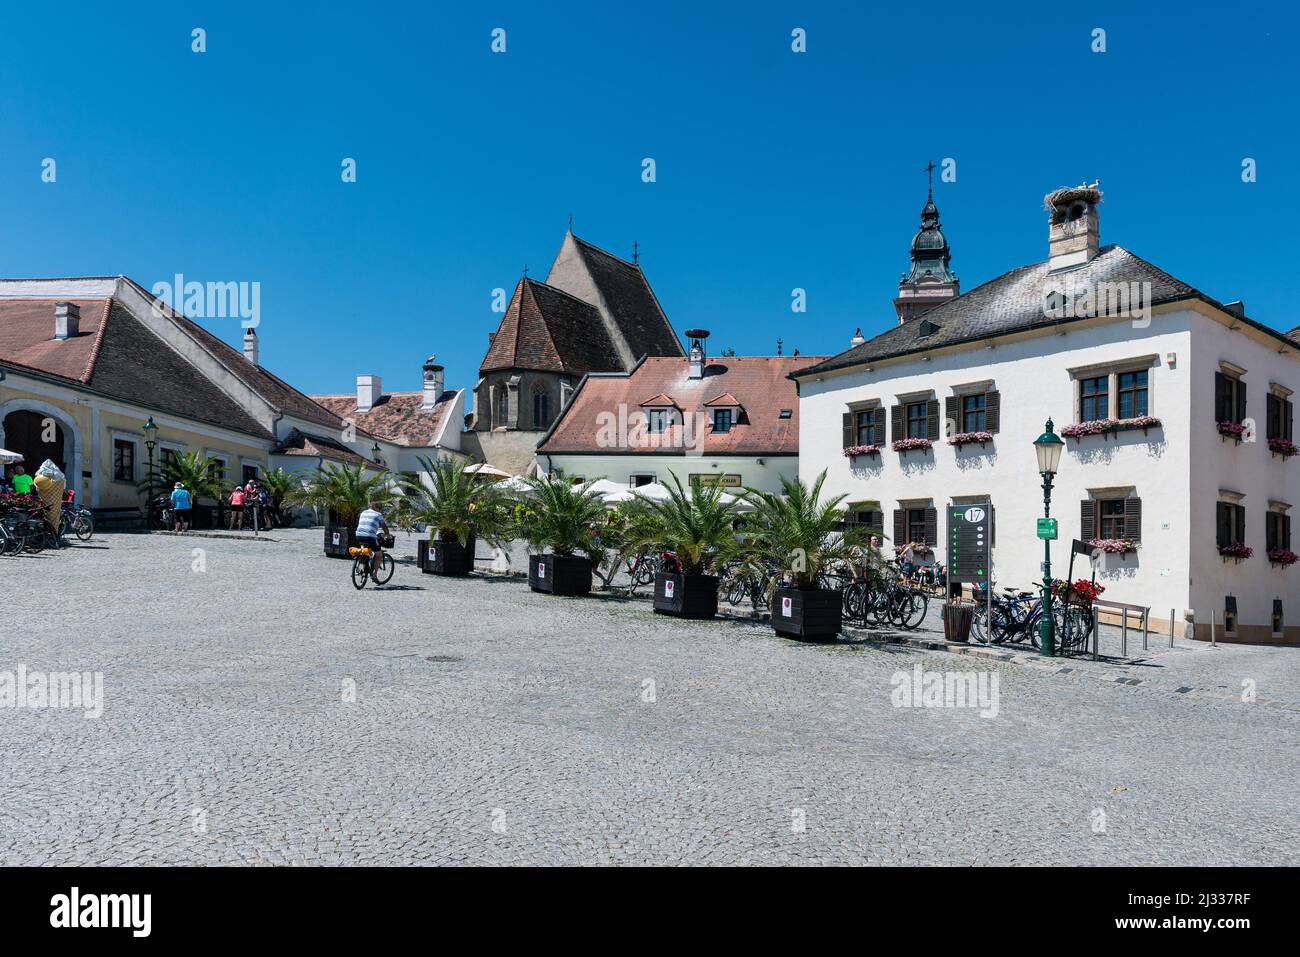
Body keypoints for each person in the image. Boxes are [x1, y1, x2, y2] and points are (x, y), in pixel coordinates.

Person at [355, 500, 390, 572]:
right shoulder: (378, 514)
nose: (380, 510)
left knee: (366, 550)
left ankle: (365, 565)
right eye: (379, 508)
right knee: (379, 555)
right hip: (369, 537)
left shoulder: (363, 512)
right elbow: (384, 527)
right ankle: (374, 575)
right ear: (376, 508)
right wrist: (387, 535)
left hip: (358, 535)